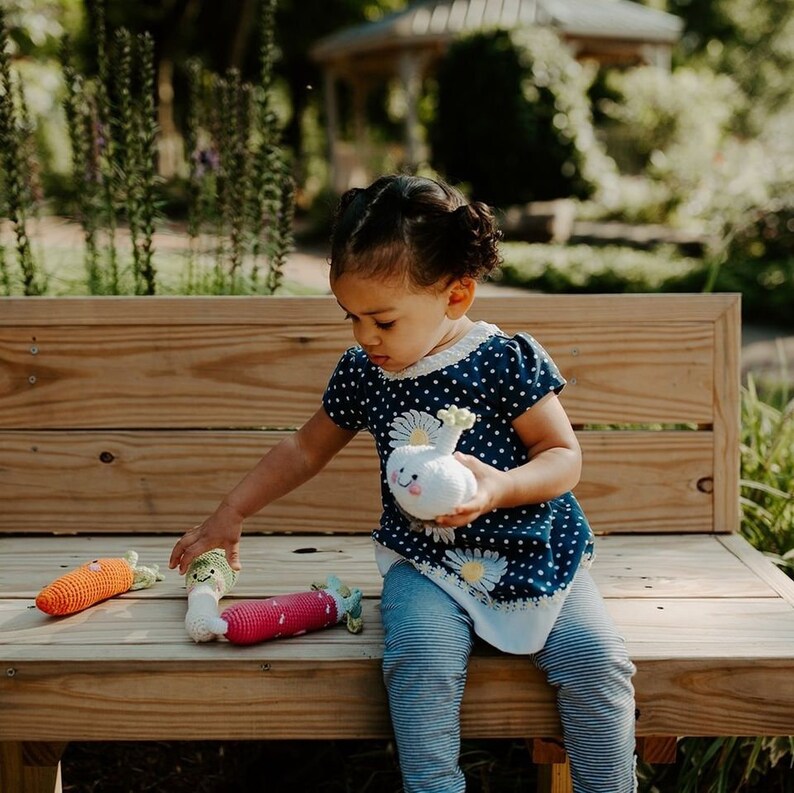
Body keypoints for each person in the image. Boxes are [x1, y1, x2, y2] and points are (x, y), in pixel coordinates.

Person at [169, 174, 637, 793]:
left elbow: (562, 456)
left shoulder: (502, 361)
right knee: (418, 655)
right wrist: (231, 511)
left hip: (535, 554)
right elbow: (305, 448)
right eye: (351, 317)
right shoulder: (366, 371)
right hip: (427, 563)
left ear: (457, 295)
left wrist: (498, 488)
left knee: (597, 666)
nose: (364, 336)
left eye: (383, 320)